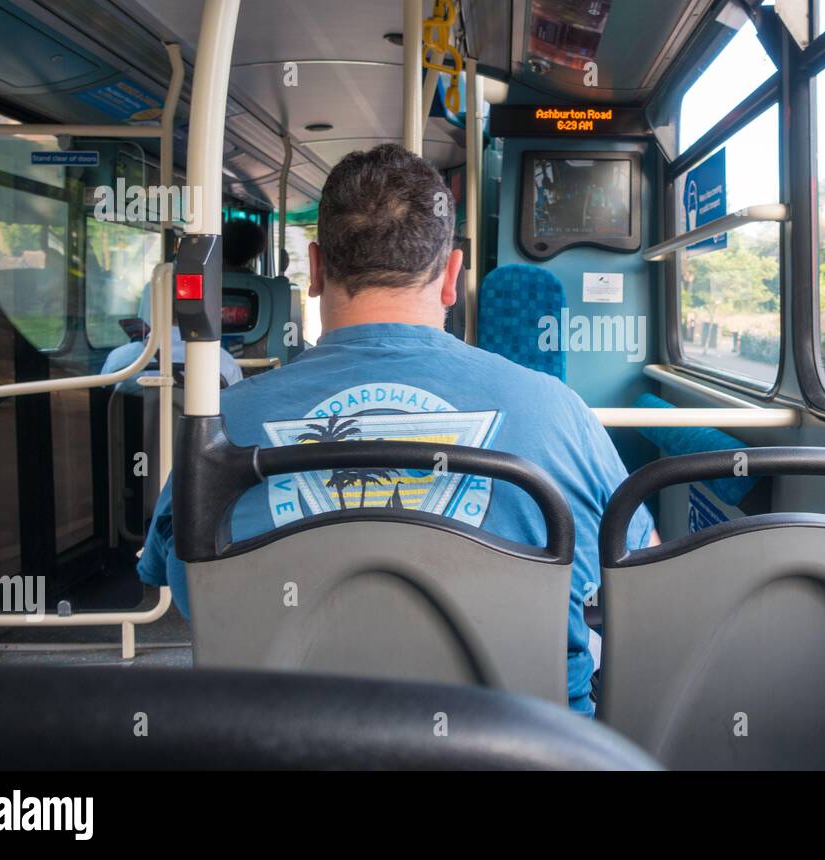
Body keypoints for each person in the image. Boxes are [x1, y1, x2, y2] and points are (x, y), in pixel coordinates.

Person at [138, 144, 656, 714]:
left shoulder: (222, 426)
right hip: (527, 752)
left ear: (314, 268)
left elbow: (189, 592)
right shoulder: (558, 414)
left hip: (275, 745)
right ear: (452, 274)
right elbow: (635, 576)